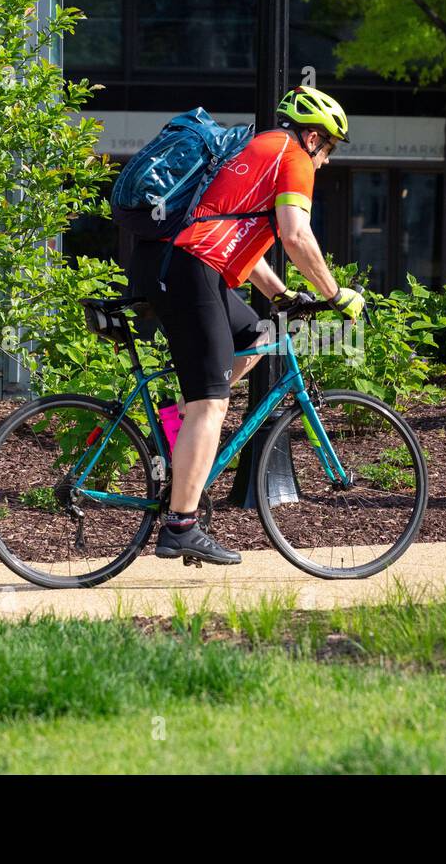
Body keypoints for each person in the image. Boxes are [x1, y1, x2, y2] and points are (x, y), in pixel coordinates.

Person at [127, 86, 366, 566]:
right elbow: (296, 235)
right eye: (330, 151)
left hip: (183, 263)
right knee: (212, 402)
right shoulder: (294, 155)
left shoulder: (258, 149)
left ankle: (179, 426)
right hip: (188, 268)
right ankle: (181, 527)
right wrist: (334, 293)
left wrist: (280, 294)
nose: (327, 163)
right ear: (315, 137)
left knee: (261, 334)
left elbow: (237, 235)